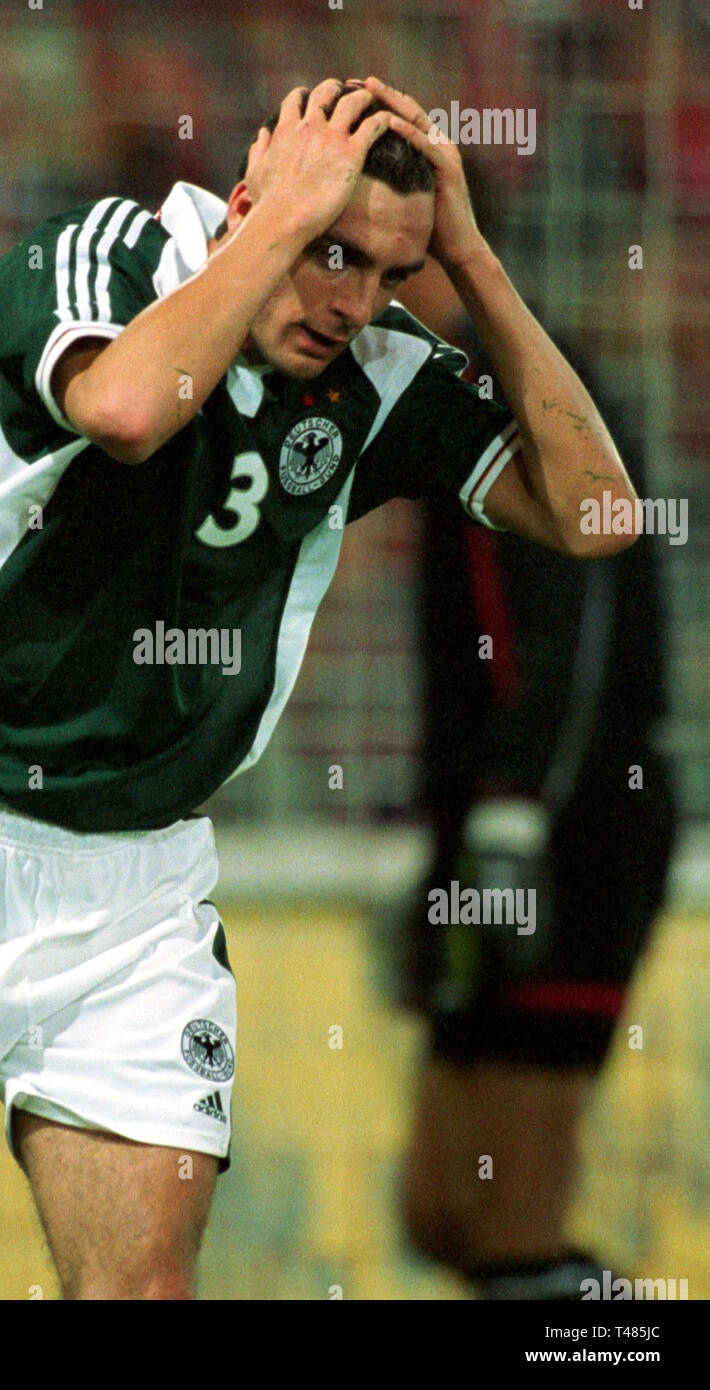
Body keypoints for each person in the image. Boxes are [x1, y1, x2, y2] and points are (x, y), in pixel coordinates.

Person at [0, 76, 641, 1300]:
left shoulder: (376, 368)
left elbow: (598, 512)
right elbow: (128, 409)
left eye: (385, 271)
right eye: (329, 250)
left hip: (136, 888)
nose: (351, 300)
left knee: (145, 1291)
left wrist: (467, 261)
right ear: (257, 191)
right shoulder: (101, 257)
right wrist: (273, 230)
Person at [391, 262, 675, 1299]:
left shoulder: (511, 394)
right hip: (495, 824)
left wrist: (511, 817)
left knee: (510, 1217)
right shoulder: (446, 391)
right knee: (440, 1207)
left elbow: (562, 623)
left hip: (572, 826)